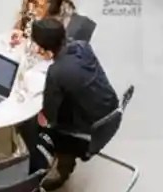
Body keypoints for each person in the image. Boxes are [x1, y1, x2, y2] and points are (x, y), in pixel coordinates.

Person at [17, 18, 121, 190]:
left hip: (91, 135)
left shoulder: (56, 71)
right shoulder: (83, 47)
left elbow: (49, 115)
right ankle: (62, 162)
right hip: (111, 115)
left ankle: (44, 173)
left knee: (31, 126)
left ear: (45, 51)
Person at [11, 0, 77, 45]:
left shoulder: (66, 27)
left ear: (52, 6)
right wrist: (18, 32)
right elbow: (17, 31)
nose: (32, 8)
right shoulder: (29, 8)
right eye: (31, 1)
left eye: (38, 5)